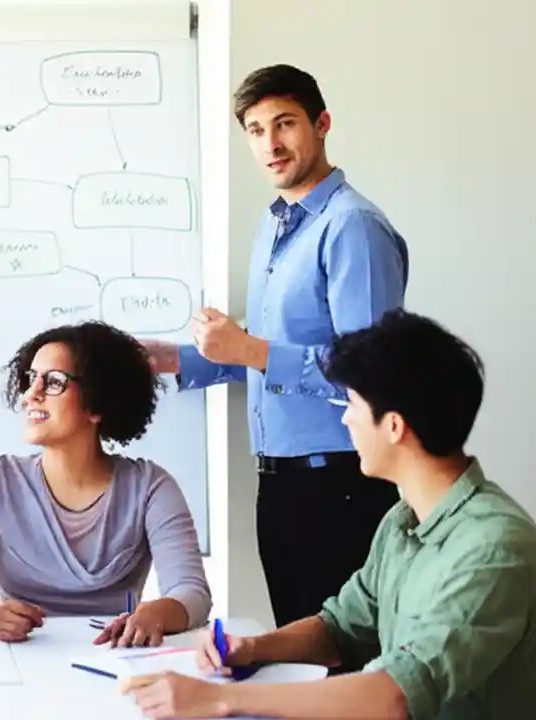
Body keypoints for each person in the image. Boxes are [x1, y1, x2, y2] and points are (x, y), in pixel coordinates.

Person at [124, 310, 536, 719]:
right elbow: (341, 629)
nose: (346, 421)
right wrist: (255, 648)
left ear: (394, 426)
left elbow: (394, 693)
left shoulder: (494, 549)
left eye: (351, 405)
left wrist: (220, 699)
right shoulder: (403, 521)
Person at [142, 64, 409, 629]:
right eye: (256, 131)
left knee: (343, 669)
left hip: (341, 485)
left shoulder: (352, 227)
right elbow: (270, 351)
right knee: (300, 660)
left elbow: (373, 372)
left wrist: (250, 349)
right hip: (284, 486)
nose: (271, 144)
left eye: (285, 124)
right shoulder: (277, 224)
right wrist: (175, 360)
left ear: (322, 123)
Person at [0, 321, 212, 647]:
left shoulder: (151, 488)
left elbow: (193, 594)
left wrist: (158, 613)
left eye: (53, 382)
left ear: (97, 403)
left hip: (115, 659)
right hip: (20, 661)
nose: (31, 394)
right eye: (29, 379)